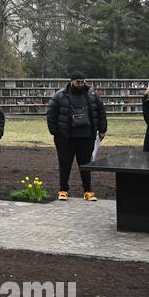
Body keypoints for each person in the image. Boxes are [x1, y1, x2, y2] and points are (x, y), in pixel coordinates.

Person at [46, 71, 107, 201]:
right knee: (64, 164)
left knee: (85, 165)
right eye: (77, 82)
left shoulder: (92, 95)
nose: (80, 84)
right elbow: (51, 114)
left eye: (82, 82)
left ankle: (88, 191)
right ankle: (63, 190)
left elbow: (101, 111)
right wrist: (54, 131)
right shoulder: (60, 96)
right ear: (71, 82)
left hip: (86, 137)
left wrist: (102, 129)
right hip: (65, 137)